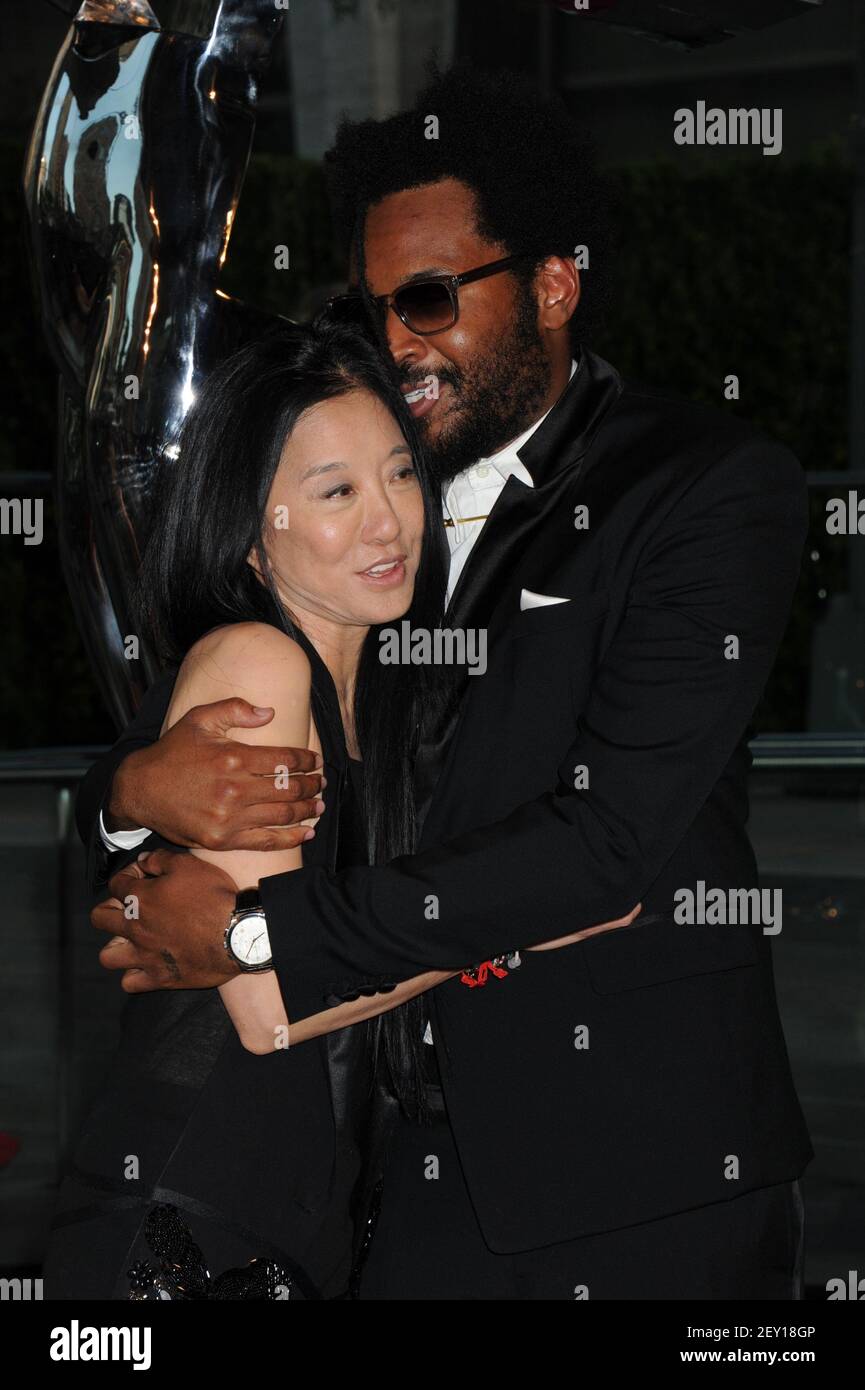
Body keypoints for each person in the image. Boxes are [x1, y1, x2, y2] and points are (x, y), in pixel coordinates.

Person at [80, 64, 813, 1300]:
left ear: (552, 285)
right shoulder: (374, 517)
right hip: (387, 1170)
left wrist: (259, 935)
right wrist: (129, 782)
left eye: (428, 299)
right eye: (375, 312)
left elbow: (603, 841)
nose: (400, 346)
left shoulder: (702, 488)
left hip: (640, 1174)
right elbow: (275, 709)